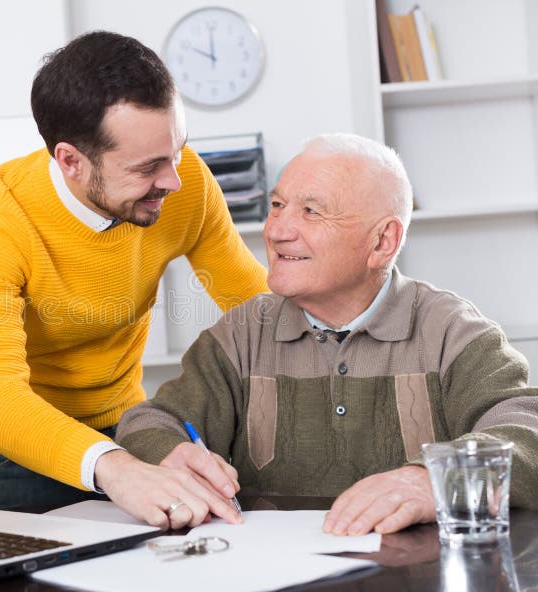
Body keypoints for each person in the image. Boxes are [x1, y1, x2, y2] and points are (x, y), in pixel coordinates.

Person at [116, 132, 538, 534]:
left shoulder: (452, 332)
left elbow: (526, 432)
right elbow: (148, 422)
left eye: (311, 211)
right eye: (277, 204)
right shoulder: (241, 334)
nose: (277, 229)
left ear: (382, 242)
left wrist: (434, 480)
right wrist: (168, 452)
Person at [0, 30, 267, 527]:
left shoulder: (185, 185)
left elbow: (253, 306)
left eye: (177, 150)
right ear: (71, 160)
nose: (174, 180)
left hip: (127, 425)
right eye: (147, 167)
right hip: (13, 449)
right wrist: (111, 468)